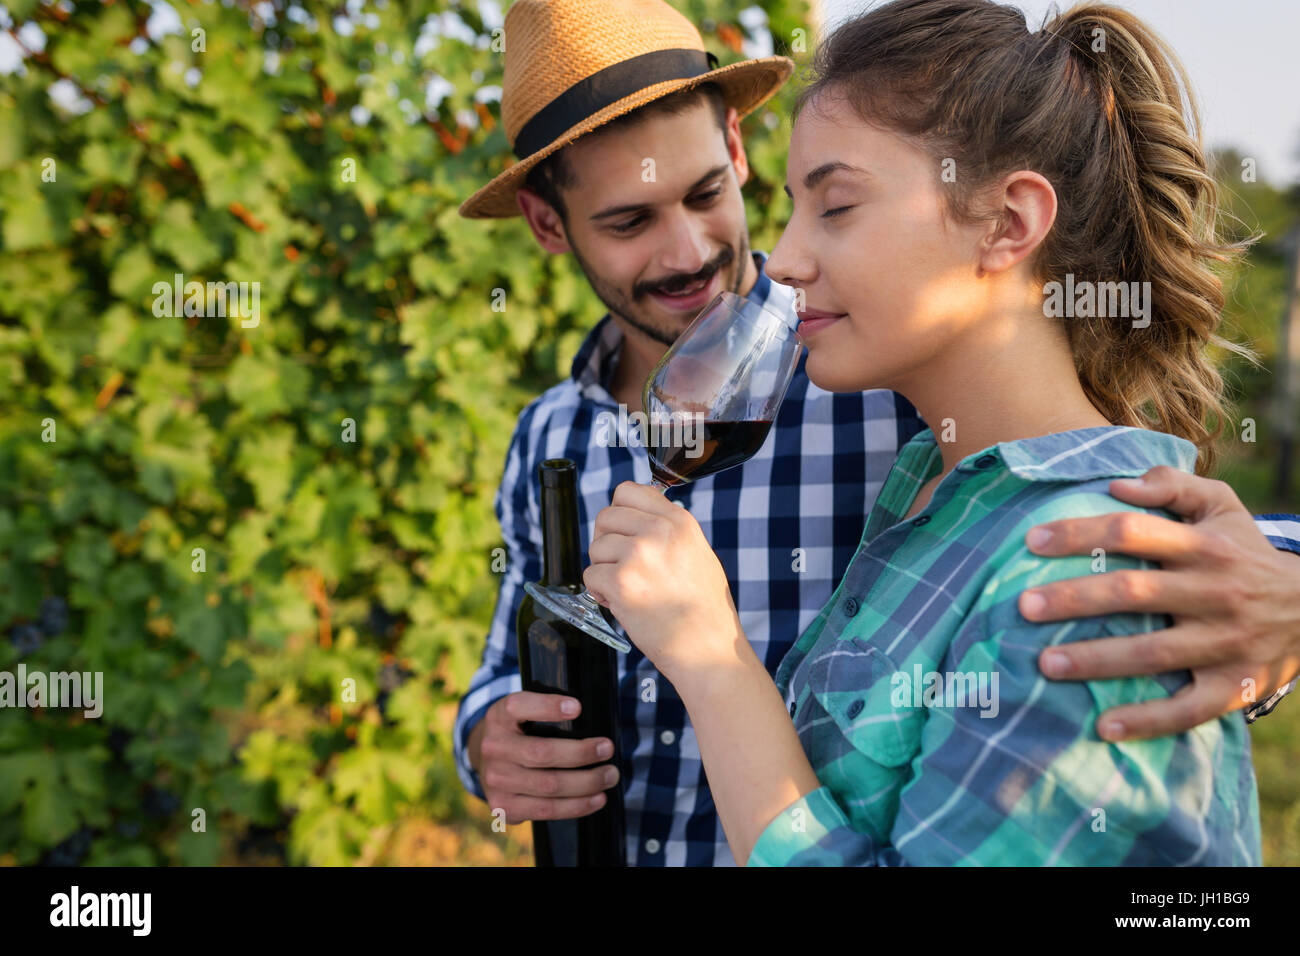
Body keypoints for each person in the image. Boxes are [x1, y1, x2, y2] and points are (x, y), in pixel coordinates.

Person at [455, 0, 1300, 866]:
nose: (690, 251)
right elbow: (515, 644)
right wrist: (486, 738)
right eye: (629, 221)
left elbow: (1097, 495)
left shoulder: (877, 372)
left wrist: (1287, 585)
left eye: (708, 193)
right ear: (548, 224)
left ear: (737, 151)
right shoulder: (550, 438)